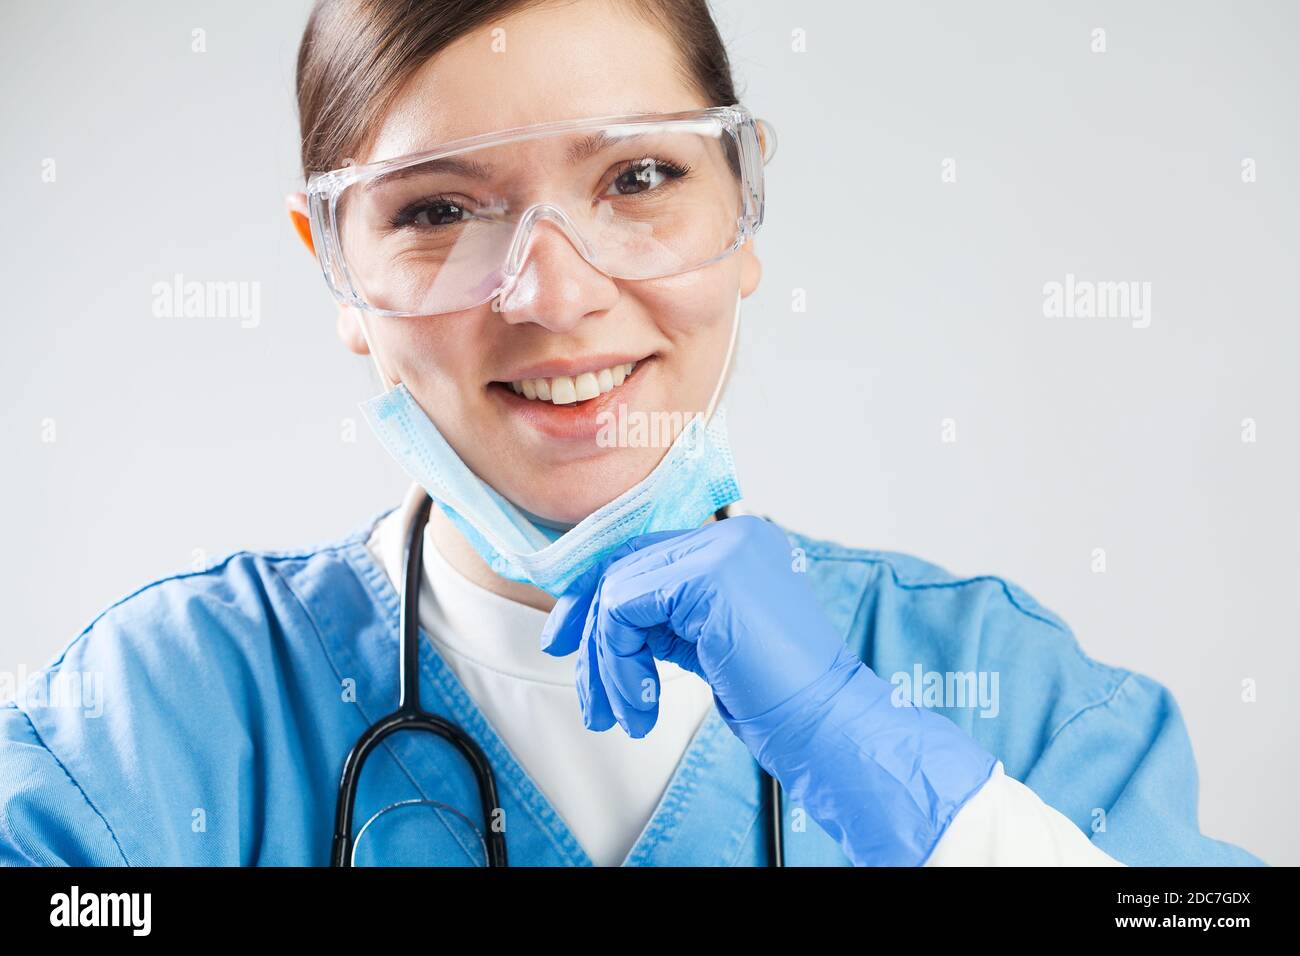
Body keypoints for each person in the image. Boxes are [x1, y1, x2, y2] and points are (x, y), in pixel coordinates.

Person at [0, 0, 1263, 867]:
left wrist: (945, 817)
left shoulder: (1008, 699)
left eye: (639, 180)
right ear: (337, 269)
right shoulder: (159, 731)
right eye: (440, 207)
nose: (553, 293)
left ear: (743, 202)